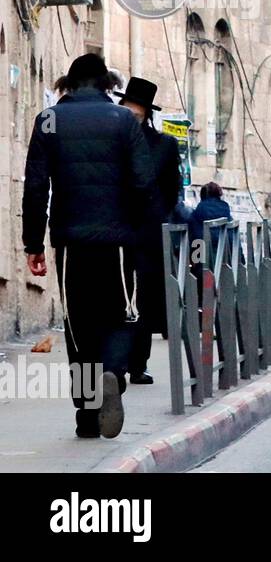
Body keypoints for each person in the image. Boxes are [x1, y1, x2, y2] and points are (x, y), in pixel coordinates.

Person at [22, 54, 154, 439]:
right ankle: (113, 371)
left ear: (68, 83)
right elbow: (144, 183)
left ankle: (85, 415)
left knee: (78, 326)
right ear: (106, 84)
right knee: (118, 315)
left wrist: (34, 243)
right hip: (117, 241)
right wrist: (135, 231)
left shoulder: (49, 120)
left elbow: (35, 186)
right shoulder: (124, 121)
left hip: (70, 240)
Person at [114, 78, 182, 386]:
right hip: (115, 228)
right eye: (128, 106)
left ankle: (137, 363)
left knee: (144, 298)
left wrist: (157, 214)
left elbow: (171, 189)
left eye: (136, 108)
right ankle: (115, 362)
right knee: (116, 295)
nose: (132, 112)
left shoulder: (164, 145)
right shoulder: (112, 137)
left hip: (148, 231)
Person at [190, 182, 232, 251]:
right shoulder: (226, 213)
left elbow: (193, 237)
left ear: (202, 196)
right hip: (225, 256)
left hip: (202, 256)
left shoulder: (197, 213)